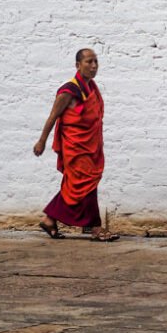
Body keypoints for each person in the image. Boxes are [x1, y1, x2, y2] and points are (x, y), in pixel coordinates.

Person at [33, 48, 119, 241]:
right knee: (84, 185)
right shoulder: (68, 91)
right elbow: (52, 117)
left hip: (90, 146)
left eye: (96, 61)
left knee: (78, 186)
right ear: (78, 65)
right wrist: (41, 141)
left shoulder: (91, 87)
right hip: (75, 147)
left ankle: (49, 219)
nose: (94, 66)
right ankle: (96, 229)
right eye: (89, 62)